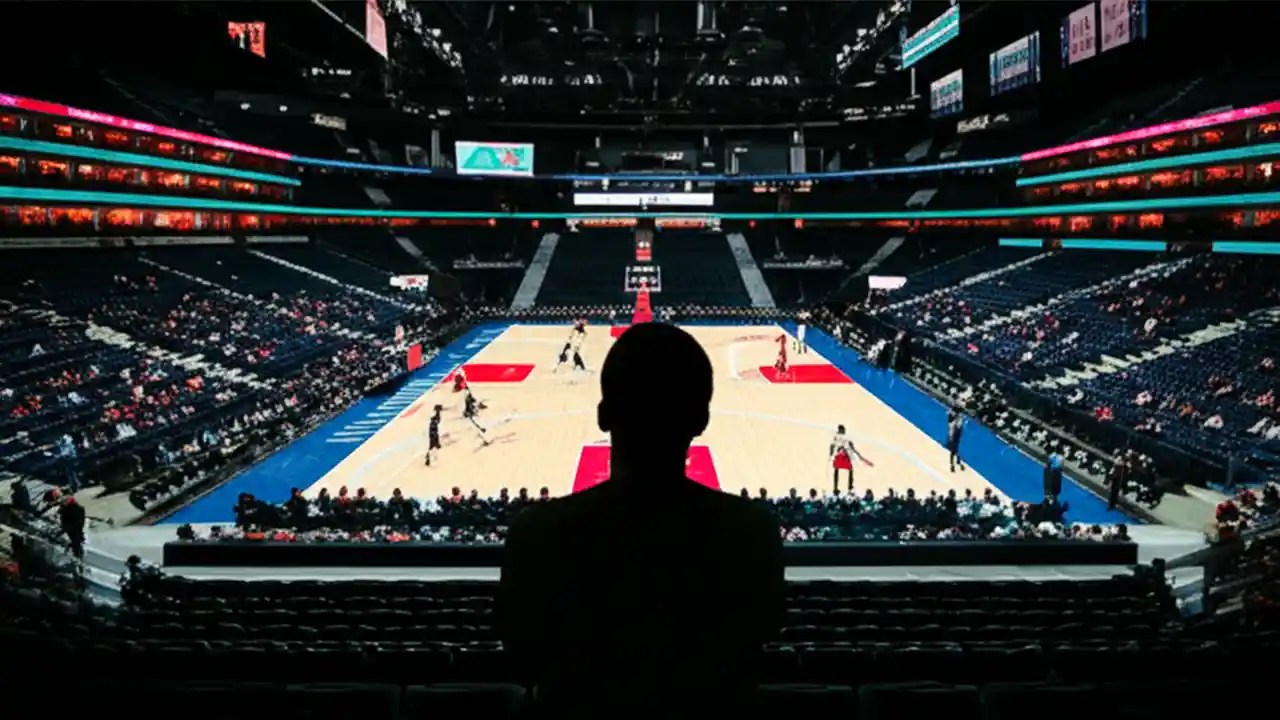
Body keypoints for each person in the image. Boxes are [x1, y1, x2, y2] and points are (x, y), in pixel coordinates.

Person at [499, 323, 784, 719]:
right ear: (702, 420)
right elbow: (762, 636)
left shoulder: (536, 534)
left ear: (602, 415)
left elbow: (520, 650)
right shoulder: (753, 533)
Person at [830, 424, 865, 493]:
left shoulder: (836, 437)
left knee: (838, 470)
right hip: (842, 454)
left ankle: (836, 487)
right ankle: (848, 486)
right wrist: (857, 453)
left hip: (839, 454)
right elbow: (851, 446)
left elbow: (832, 445)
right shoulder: (843, 437)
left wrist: (831, 454)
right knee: (849, 469)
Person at [58, 495, 87, 560]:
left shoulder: (75, 509)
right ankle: (77, 556)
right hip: (73, 529)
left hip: (73, 529)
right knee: (76, 543)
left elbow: (78, 523)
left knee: (76, 544)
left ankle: (77, 558)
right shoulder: (78, 508)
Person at [947, 407, 966, 473]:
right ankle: (956, 464)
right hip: (955, 438)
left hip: (955, 438)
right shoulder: (955, 424)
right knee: (954, 452)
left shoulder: (956, 424)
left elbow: (953, 429)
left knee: (954, 452)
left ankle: (956, 464)